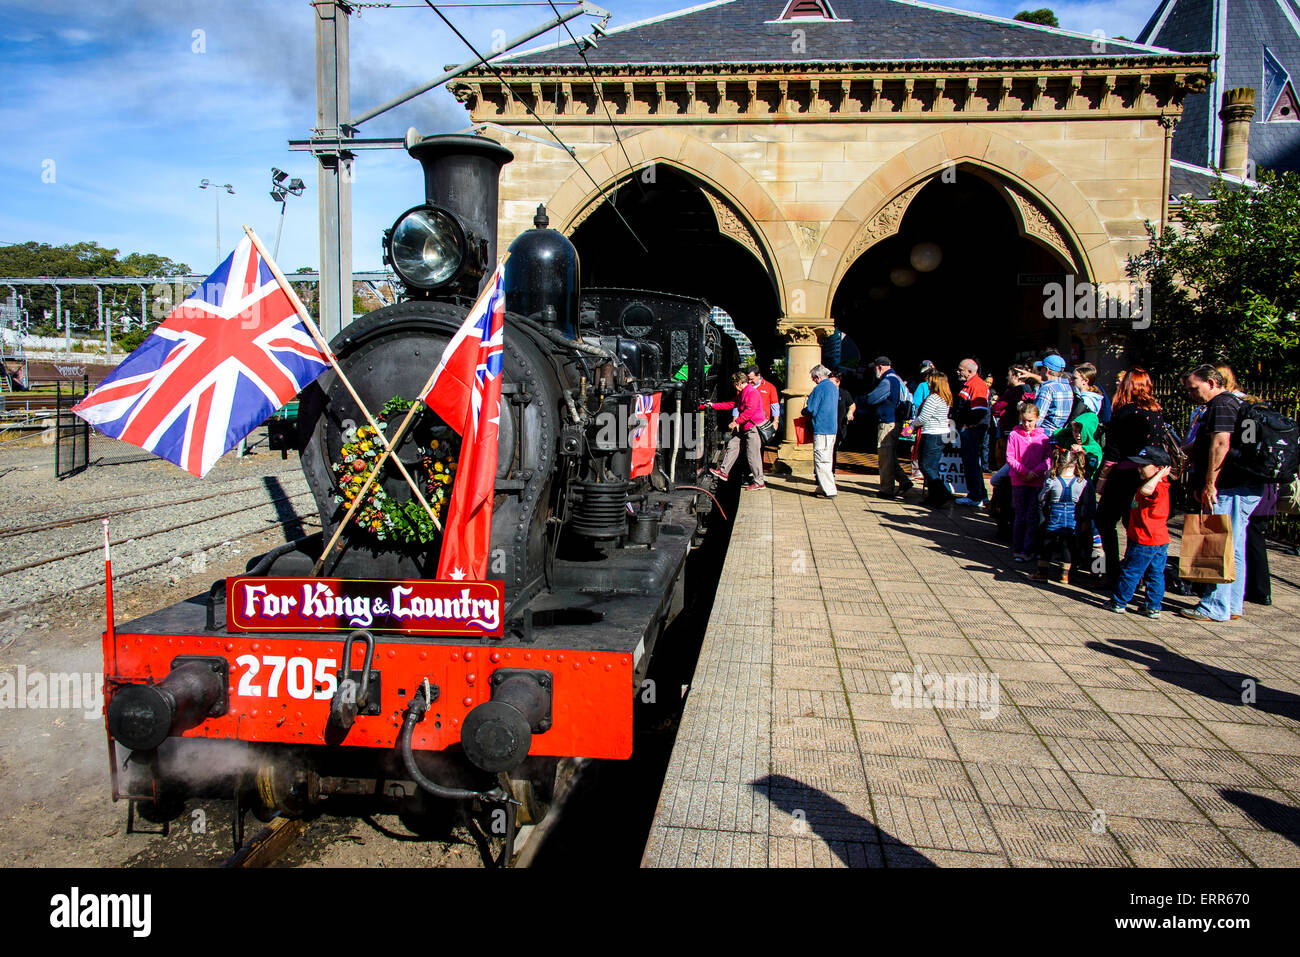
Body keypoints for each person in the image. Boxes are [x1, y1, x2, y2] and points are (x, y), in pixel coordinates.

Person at [1180, 364, 1264, 622]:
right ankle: (1231, 604)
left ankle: (1214, 606)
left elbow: (1221, 442)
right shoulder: (1229, 404)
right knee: (1234, 545)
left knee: (1219, 543)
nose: (1192, 394)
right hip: (1242, 484)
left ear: (1212, 383)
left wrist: (1209, 483)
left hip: (1230, 485)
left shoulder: (1221, 405)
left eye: (1195, 388)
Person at [1094, 368, 1164, 589]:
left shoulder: (1125, 412)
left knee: (1105, 521)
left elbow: (1114, 449)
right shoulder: (1156, 411)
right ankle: (1137, 574)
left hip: (1123, 474)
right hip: (1148, 475)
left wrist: (1103, 476)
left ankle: (1113, 572)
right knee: (1134, 524)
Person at [1109, 447, 1173, 618]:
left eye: (1144, 466)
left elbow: (1146, 491)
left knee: (1132, 571)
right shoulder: (1156, 484)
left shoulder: (1158, 486)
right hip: (1156, 539)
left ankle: (1119, 602)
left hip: (1146, 539)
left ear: (1159, 468)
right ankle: (1152, 607)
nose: (1139, 469)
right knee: (1154, 574)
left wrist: (1159, 475)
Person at [1032, 447, 1092, 584]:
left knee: (1047, 544)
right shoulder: (1082, 482)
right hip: (1072, 519)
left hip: (1055, 517)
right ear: (1076, 464)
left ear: (1058, 463)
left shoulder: (1052, 481)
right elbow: (1085, 502)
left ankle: (1042, 573)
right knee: (1068, 545)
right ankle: (1064, 575)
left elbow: (1041, 498)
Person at [703, 371, 766, 491]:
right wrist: (713, 405)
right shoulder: (743, 393)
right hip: (745, 427)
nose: (734, 386)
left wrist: (737, 422)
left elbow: (749, 411)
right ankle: (723, 471)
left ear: (739, 383)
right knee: (732, 445)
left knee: (753, 455)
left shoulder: (751, 393)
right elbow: (731, 404)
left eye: (734, 384)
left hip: (752, 428)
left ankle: (759, 482)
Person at [862, 356, 912, 498]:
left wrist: (864, 399)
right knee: (890, 455)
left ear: (880, 367)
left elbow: (873, 398)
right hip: (895, 421)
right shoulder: (897, 378)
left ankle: (886, 490)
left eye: (874, 368)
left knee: (885, 457)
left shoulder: (888, 380)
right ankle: (904, 480)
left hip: (888, 422)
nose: (874, 371)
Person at [1006, 402, 1051, 562]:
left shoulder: (1043, 438)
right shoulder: (1014, 435)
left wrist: (1035, 473)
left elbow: (1048, 459)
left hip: (1036, 481)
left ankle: (1029, 548)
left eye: (1030, 421)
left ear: (1037, 419)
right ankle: (1018, 548)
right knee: (1020, 515)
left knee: (1033, 516)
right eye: (1024, 420)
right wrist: (1025, 472)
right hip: (1019, 479)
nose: (1027, 424)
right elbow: (1010, 457)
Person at [913, 371, 954, 508]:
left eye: (930, 381)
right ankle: (934, 497)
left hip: (932, 434)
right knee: (933, 466)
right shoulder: (945, 397)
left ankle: (943, 493)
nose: (928, 384)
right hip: (942, 434)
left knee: (925, 465)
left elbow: (923, 418)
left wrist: (913, 424)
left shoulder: (933, 398)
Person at [953, 358, 990, 506]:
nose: (958, 372)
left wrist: (967, 425)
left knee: (972, 463)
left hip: (973, 429)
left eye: (960, 369)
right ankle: (979, 494)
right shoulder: (969, 385)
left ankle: (976, 496)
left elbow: (979, 411)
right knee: (971, 462)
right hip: (970, 428)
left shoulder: (977, 385)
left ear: (969, 371)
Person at [803, 364, 839, 498]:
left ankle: (829, 490)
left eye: (813, 378)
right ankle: (822, 487)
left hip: (822, 428)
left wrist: (804, 411)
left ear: (817, 377)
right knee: (827, 459)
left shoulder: (819, 388)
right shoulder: (833, 388)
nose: (813, 380)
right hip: (832, 428)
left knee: (821, 460)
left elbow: (811, 409)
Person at [1034, 354, 1075, 435]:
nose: (1040, 371)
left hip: (1046, 436)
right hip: (1062, 435)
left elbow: (1037, 419)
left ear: (1047, 370)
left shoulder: (1047, 389)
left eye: (1041, 368)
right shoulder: (1069, 387)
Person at [829, 370, 855, 473]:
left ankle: (832, 471)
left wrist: (850, 413)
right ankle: (824, 472)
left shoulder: (844, 394)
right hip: (827, 425)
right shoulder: (826, 393)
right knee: (827, 449)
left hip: (839, 426)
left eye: (832, 382)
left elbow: (852, 405)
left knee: (834, 449)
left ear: (838, 382)